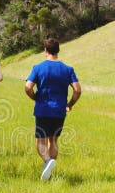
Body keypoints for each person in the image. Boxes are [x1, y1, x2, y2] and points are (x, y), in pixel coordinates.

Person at [24, 37, 82, 181]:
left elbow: (28, 87)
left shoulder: (38, 68)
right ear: (58, 50)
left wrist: (34, 97)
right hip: (59, 111)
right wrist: (70, 104)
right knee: (53, 141)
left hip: (43, 110)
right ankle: (49, 171)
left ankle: (48, 162)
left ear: (45, 50)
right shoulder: (68, 69)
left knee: (40, 142)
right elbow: (78, 90)